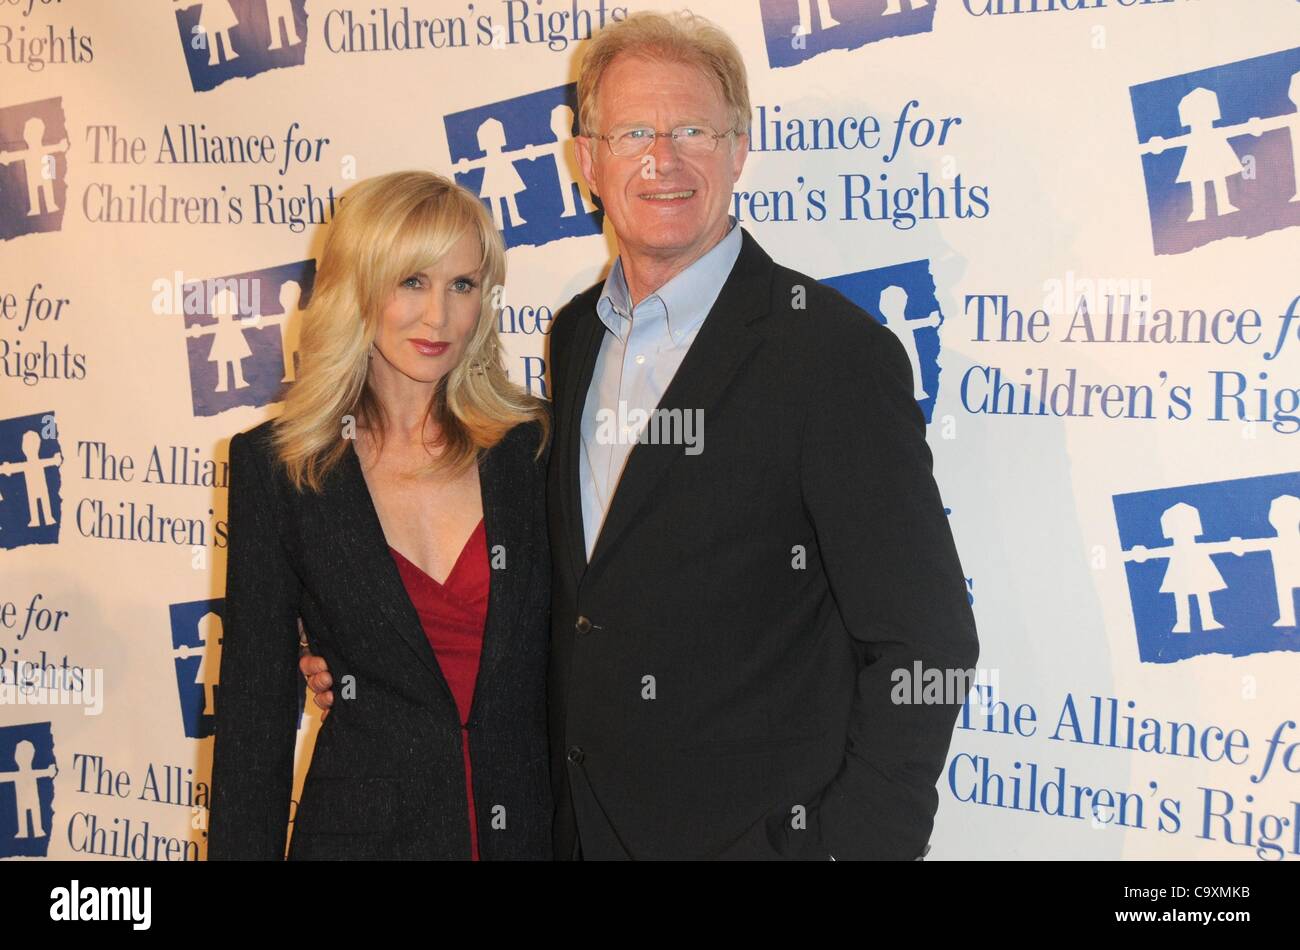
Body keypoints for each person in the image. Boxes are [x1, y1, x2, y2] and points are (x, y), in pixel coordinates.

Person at [304, 10, 979, 860]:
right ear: (587, 160)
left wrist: (845, 847)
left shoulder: (831, 356)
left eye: (694, 128)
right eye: (632, 133)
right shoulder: (576, 335)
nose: (664, 160)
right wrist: (364, 651)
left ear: (740, 148)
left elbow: (930, 644)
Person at [208, 170, 552, 860]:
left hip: (533, 832)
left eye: (463, 285)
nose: (440, 318)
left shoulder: (536, 447)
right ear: (356, 288)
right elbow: (253, 723)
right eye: (412, 282)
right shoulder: (280, 467)